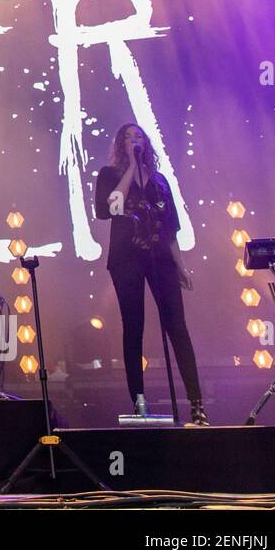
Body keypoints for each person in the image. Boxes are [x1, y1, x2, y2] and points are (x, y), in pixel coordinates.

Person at [94, 122, 207, 425]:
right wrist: (131, 166)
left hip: (160, 257)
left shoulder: (159, 181)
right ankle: (139, 401)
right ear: (121, 145)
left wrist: (180, 265)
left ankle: (196, 403)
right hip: (126, 259)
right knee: (134, 326)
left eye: (138, 136)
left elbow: (170, 228)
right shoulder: (109, 175)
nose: (135, 140)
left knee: (177, 326)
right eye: (129, 138)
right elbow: (109, 209)